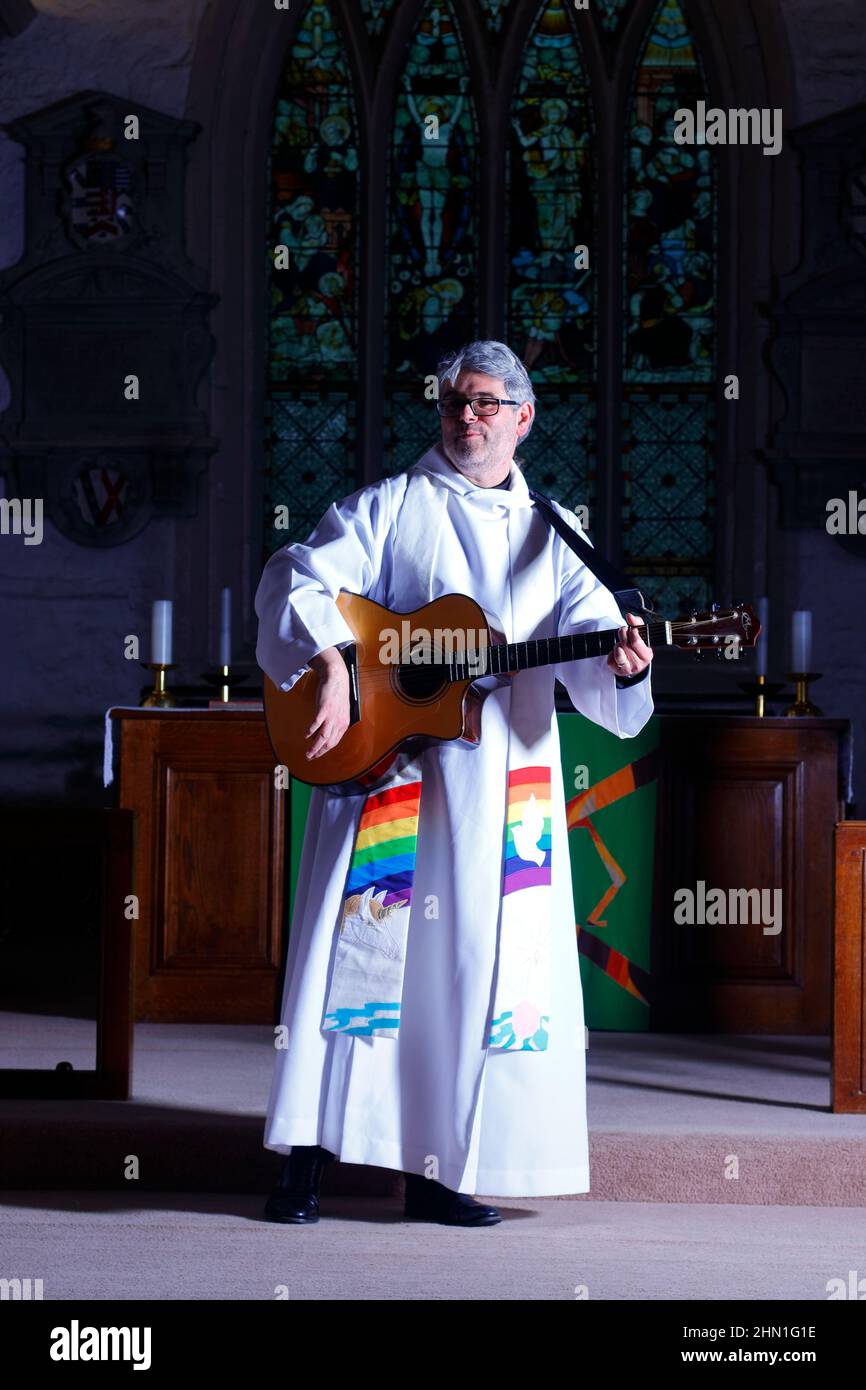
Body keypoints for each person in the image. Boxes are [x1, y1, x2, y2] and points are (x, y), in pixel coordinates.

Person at [254, 339, 654, 1227]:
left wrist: (625, 666)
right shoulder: (392, 505)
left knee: (470, 969)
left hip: (498, 796)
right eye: (452, 402)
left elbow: (597, 660)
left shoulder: (557, 536)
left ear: (523, 416)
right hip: (387, 773)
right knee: (353, 968)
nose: (465, 417)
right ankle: (306, 1166)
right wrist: (329, 661)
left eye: (483, 402)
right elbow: (296, 575)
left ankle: (439, 1173)